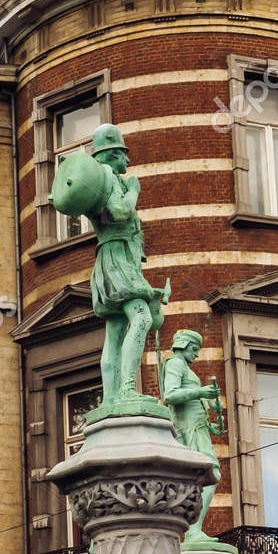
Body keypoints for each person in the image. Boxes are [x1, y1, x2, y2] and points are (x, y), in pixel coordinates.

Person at [85, 123, 168, 409]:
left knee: (115, 331)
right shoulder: (108, 176)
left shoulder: (100, 179)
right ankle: (127, 390)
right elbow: (120, 212)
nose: (128, 161)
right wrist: (133, 190)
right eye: (123, 154)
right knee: (142, 318)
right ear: (110, 154)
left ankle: (110, 398)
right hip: (117, 256)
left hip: (111, 257)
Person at [162, 329, 222, 544]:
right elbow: (170, 395)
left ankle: (194, 528)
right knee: (209, 472)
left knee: (204, 475)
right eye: (194, 349)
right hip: (189, 430)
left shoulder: (183, 366)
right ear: (185, 345)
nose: (196, 354)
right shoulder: (175, 363)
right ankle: (194, 529)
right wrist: (201, 392)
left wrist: (210, 426)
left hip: (197, 427)